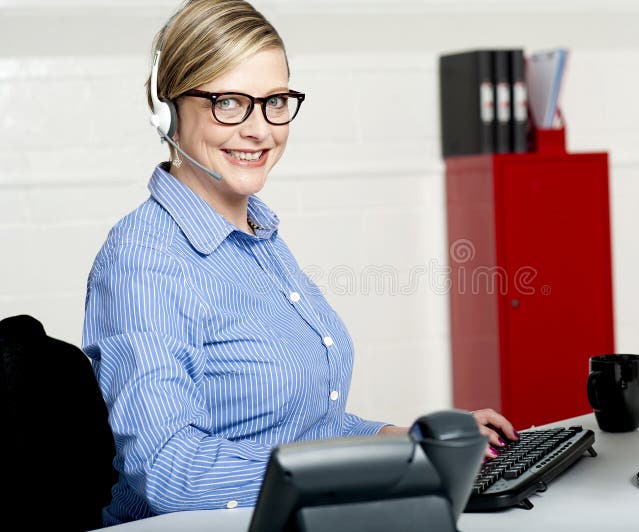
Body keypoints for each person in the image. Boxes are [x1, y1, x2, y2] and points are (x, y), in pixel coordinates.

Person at [82, 0, 518, 525]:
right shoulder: (144, 264)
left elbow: (301, 426)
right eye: (228, 103)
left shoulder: (259, 236)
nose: (260, 129)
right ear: (167, 111)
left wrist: (407, 442)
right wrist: (377, 471)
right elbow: (171, 471)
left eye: (274, 101)